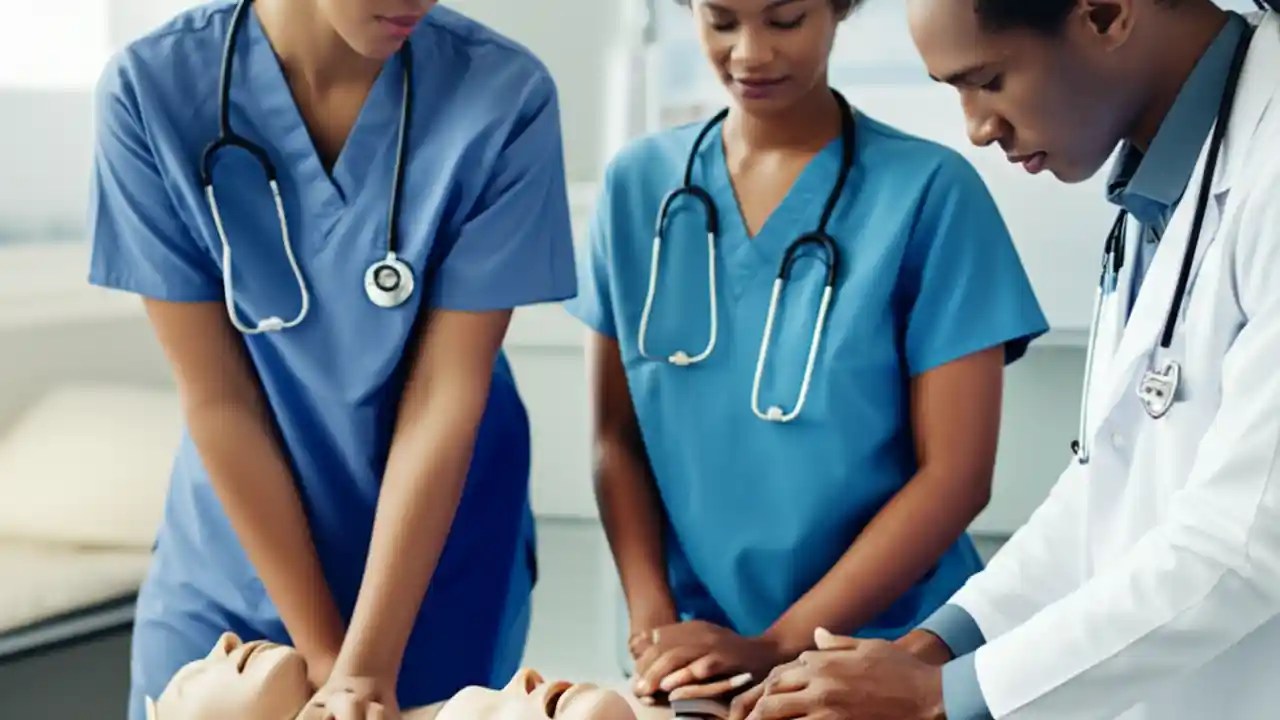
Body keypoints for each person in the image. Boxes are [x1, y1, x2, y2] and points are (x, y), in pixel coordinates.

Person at [731, 1, 1280, 719]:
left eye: (987, 81)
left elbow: (1246, 540)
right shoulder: (1162, 183)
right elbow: (1103, 488)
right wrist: (936, 646)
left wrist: (944, 697)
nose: (977, 127)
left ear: (1106, 13)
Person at [86, 0, 576, 717]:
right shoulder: (151, 90)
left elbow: (446, 392)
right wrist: (323, 659)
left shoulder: (502, 95)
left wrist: (366, 667)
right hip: (240, 555)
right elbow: (218, 396)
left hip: (431, 560)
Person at [564, 0, 1048, 705]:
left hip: (887, 655)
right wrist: (653, 628)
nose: (750, 53)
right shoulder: (636, 187)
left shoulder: (931, 195)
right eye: (721, 21)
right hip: (700, 658)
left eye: (785, 20)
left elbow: (957, 475)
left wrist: (779, 644)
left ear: (839, 9)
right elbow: (617, 437)